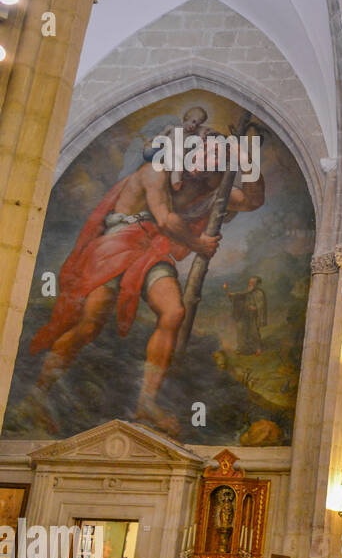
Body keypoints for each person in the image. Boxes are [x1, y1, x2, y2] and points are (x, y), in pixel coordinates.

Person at [29, 132, 265, 433]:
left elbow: (253, 200)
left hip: (152, 249)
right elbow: (166, 219)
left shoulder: (213, 186)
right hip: (116, 242)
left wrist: (247, 159)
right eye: (207, 152)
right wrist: (198, 244)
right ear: (192, 149)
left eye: (220, 157)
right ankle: (39, 392)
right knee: (89, 324)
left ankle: (147, 403)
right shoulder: (158, 170)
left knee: (174, 312)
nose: (210, 161)